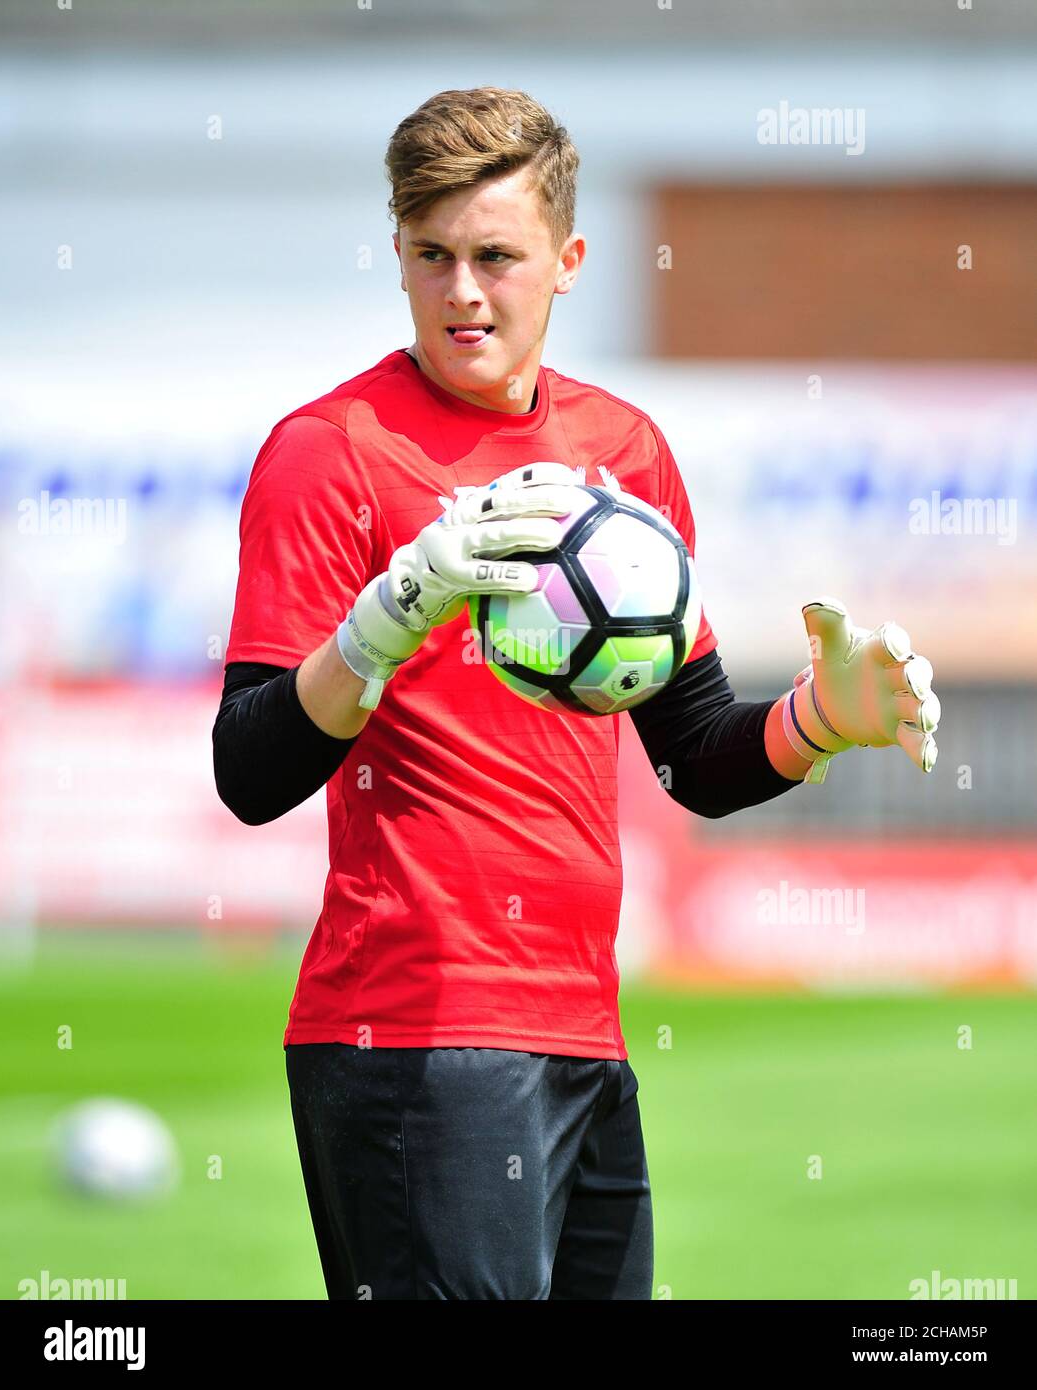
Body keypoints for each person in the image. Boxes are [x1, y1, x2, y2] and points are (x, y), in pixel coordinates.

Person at [212, 87, 940, 1301]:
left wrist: (820, 720)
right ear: (395, 252)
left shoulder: (626, 454)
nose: (462, 292)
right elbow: (249, 770)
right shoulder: (327, 451)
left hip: (582, 1034)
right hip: (410, 1035)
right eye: (432, 255)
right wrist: (385, 621)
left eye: (495, 257)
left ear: (567, 262)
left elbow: (693, 754)